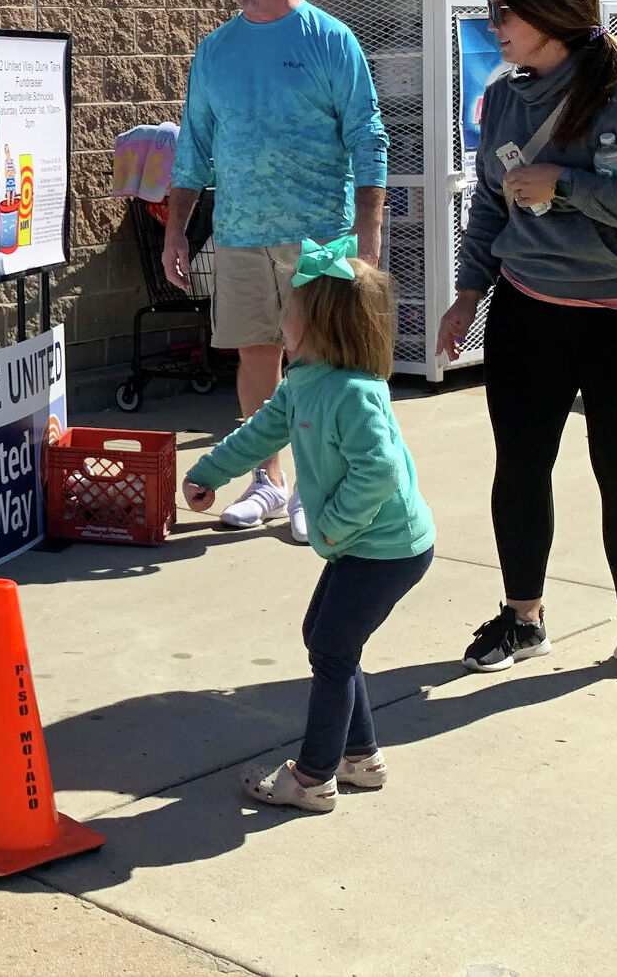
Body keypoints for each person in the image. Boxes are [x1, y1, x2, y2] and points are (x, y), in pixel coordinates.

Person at [437, 0, 617, 692]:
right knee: (520, 466)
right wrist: (467, 292)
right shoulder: (506, 95)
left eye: (505, 11)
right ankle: (523, 618)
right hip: (533, 303)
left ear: (552, 16)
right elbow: (491, 199)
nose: (494, 25)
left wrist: (569, 183)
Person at [180, 236, 435, 813]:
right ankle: (360, 757)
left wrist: (337, 528)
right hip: (362, 543)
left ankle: (315, 776)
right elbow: (260, 434)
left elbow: (380, 470)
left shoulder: (354, 393)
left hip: (387, 547)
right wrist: (208, 471)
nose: (280, 318)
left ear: (317, 324)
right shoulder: (303, 383)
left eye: (288, 310)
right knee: (328, 641)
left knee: (332, 648)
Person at [163, 0, 389, 545]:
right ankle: (269, 480)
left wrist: (367, 234)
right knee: (256, 352)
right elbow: (194, 149)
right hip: (239, 232)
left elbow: (368, 137)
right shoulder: (216, 50)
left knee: (320, 364)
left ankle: (317, 490)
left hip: (319, 233)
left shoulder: (329, 41)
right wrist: (176, 231)